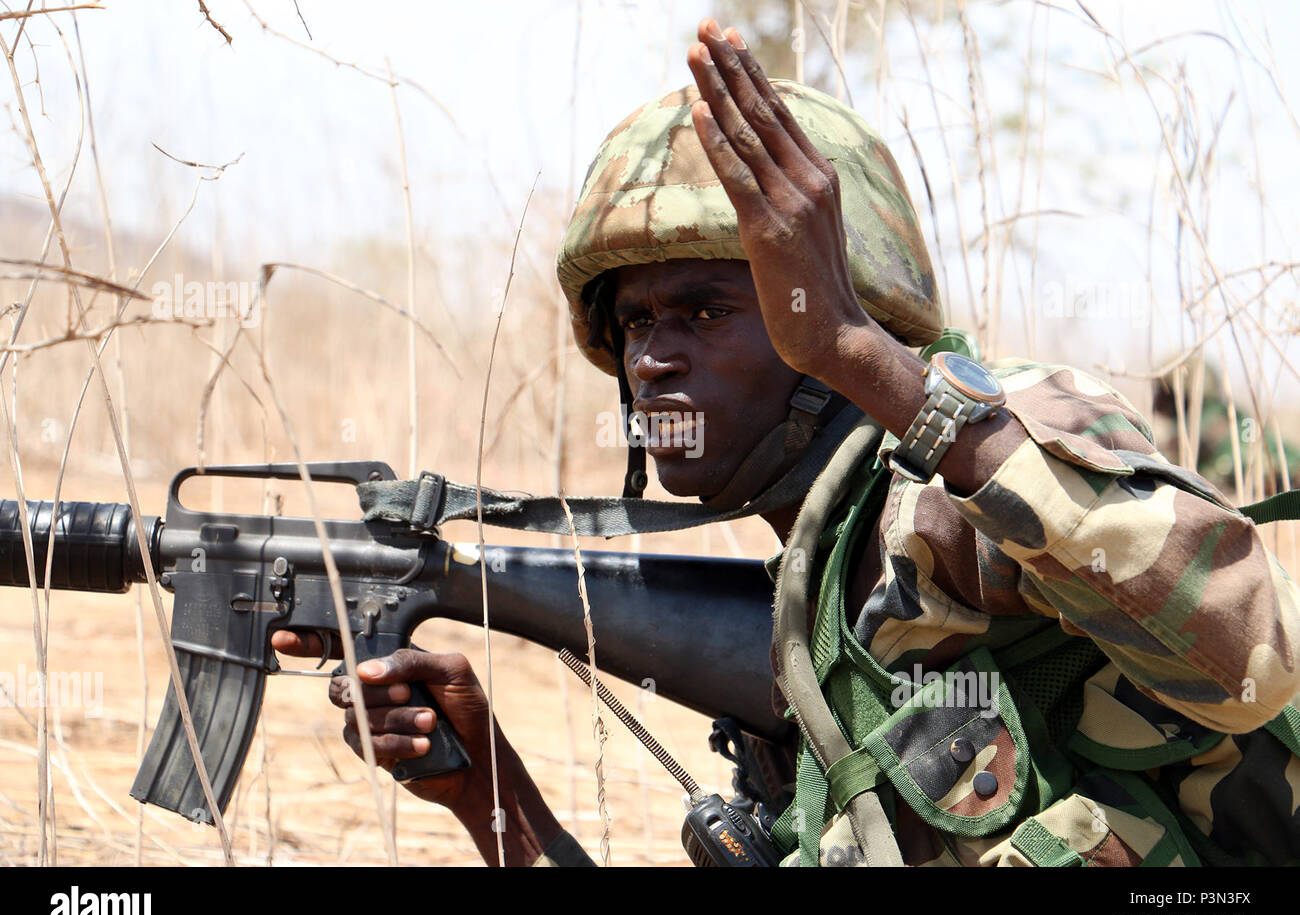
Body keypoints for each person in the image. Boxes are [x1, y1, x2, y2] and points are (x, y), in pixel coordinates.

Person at [272, 18, 1300, 866]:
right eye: (636, 323)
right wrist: (492, 798)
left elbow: (1254, 658)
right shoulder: (815, 636)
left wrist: (861, 355)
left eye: (708, 313)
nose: (654, 362)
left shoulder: (984, 451)